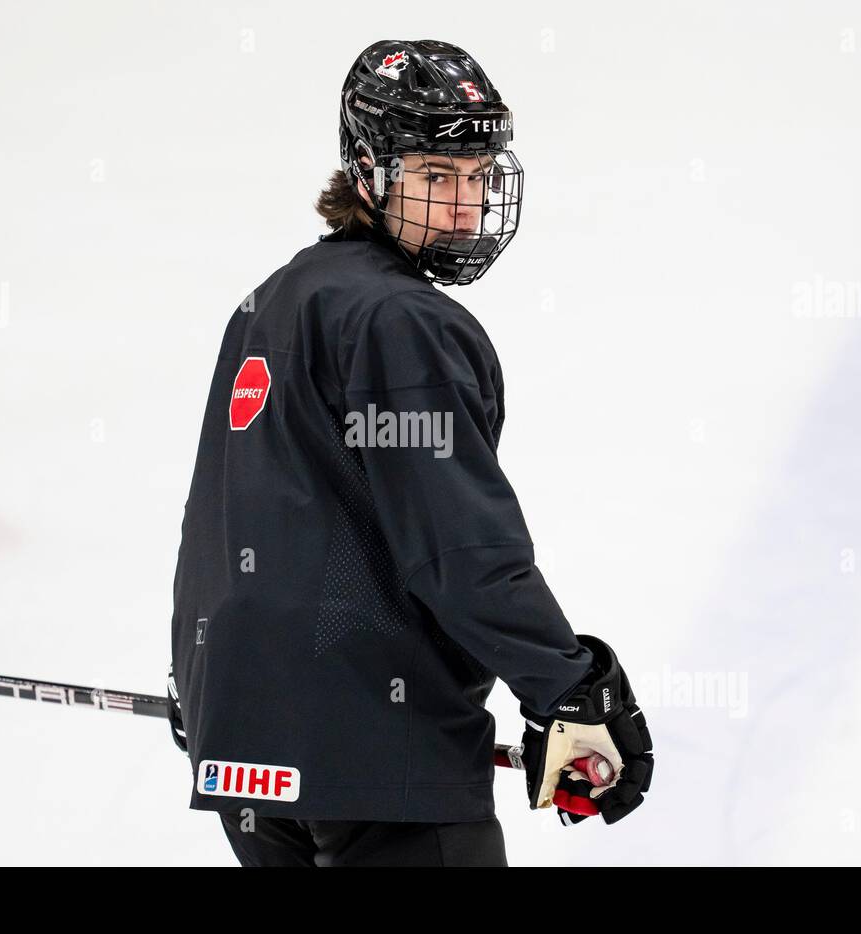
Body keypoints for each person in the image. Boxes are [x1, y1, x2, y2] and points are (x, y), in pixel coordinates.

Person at [167, 39, 653, 867]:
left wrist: (208, 682)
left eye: (477, 176)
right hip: (377, 759)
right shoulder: (402, 322)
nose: (464, 207)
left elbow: (220, 520)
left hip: (252, 762)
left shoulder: (271, 302)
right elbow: (458, 550)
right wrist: (570, 694)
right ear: (367, 173)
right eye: (435, 178)